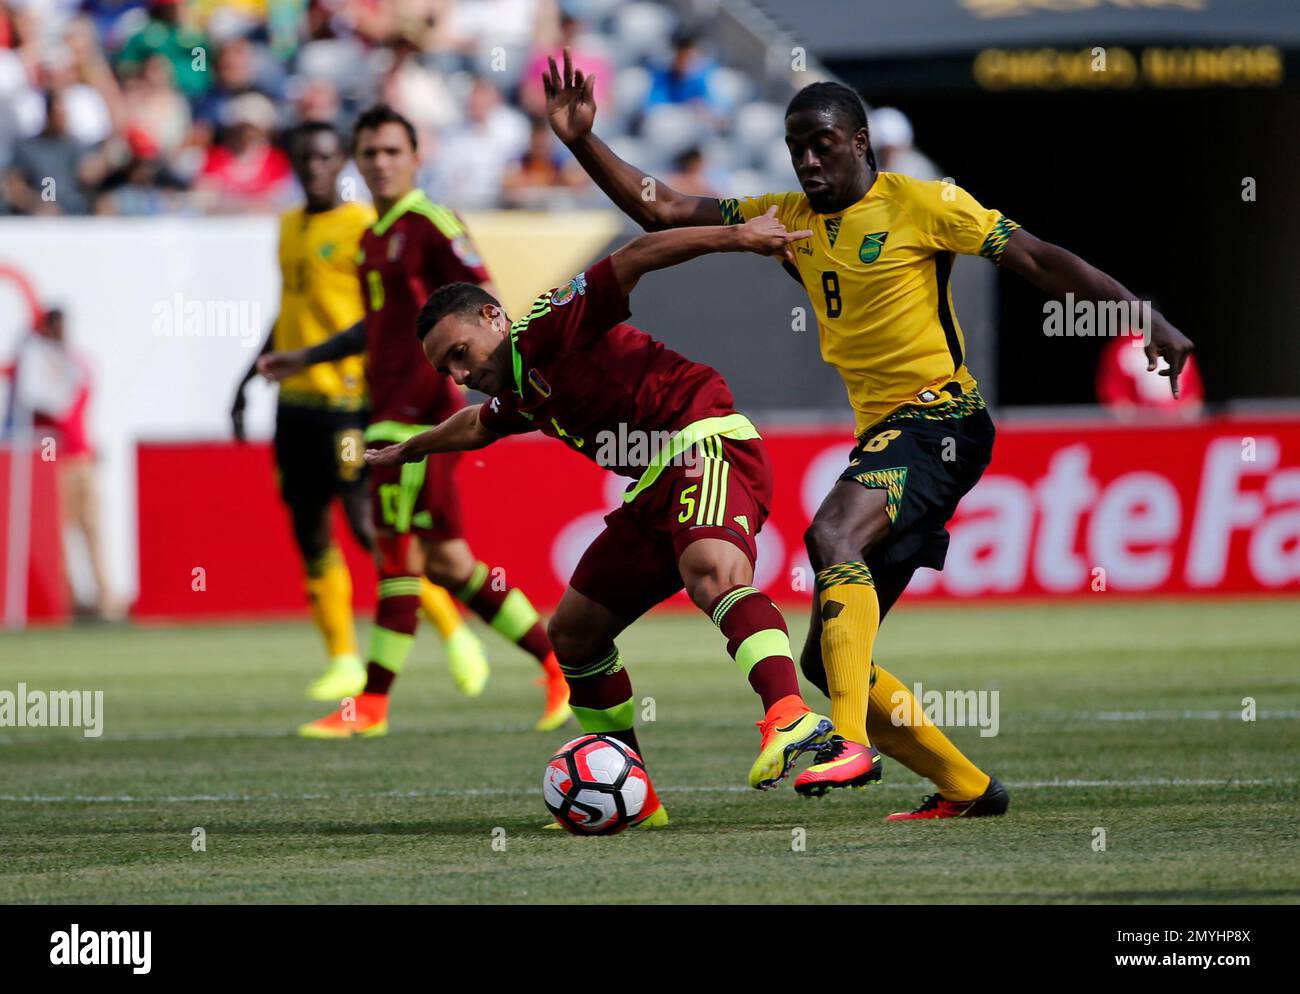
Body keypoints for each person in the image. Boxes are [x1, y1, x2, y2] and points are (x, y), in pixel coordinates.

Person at [544, 56, 1196, 818]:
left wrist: (1138, 315)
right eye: (796, 149)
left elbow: (1039, 258)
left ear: (860, 141)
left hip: (942, 420)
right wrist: (584, 142)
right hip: (885, 436)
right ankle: (967, 789)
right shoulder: (786, 218)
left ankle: (840, 743)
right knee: (824, 655)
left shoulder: (923, 205)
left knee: (832, 535)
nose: (808, 161)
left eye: (822, 144)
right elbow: (665, 210)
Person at [365, 207, 834, 828]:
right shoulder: (518, 390)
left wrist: (738, 237)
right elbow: (478, 425)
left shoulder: (547, 323)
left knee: (711, 573)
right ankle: (635, 795)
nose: (458, 374)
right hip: (652, 483)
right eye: (445, 369)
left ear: (491, 317)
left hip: (704, 440)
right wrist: (410, 447)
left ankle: (790, 717)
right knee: (575, 633)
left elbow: (636, 256)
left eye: (459, 353)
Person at [258, 105, 568, 737]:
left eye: (391, 151)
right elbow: (377, 328)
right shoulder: (375, 237)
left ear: (415, 156)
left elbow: (484, 305)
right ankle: (560, 667)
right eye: (369, 152)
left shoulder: (428, 224)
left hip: (415, 418)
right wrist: (307, 356)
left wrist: (495, 388)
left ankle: (369, 706)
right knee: (451, 564)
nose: (379, 162)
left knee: (396, 555)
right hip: (386, 408)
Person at [231, 120, 488, 704]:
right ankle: (343, 659)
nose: (314, 168)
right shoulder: (288, 227)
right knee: (309, 526)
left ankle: (452, 633)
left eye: (325, 158)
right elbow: (291, 310)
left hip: (348, 407)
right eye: (304, 158)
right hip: (296, 408)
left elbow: (380, 319)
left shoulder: (363, 226)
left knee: (367, 523)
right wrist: (250, 376)